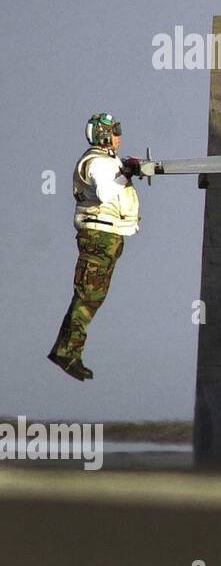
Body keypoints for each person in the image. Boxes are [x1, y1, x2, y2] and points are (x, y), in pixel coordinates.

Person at [49, 112, 145, 380]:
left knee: (93, 296)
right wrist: (125, 174)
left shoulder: (106, 162)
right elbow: (106, 193)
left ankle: (69, 350)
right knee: (88, 295)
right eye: (115, 130)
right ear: (104, 135)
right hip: (99, 236)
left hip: (107, 236)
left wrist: (125, 170)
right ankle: (66, 352)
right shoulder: (99, 164)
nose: (119, 135)